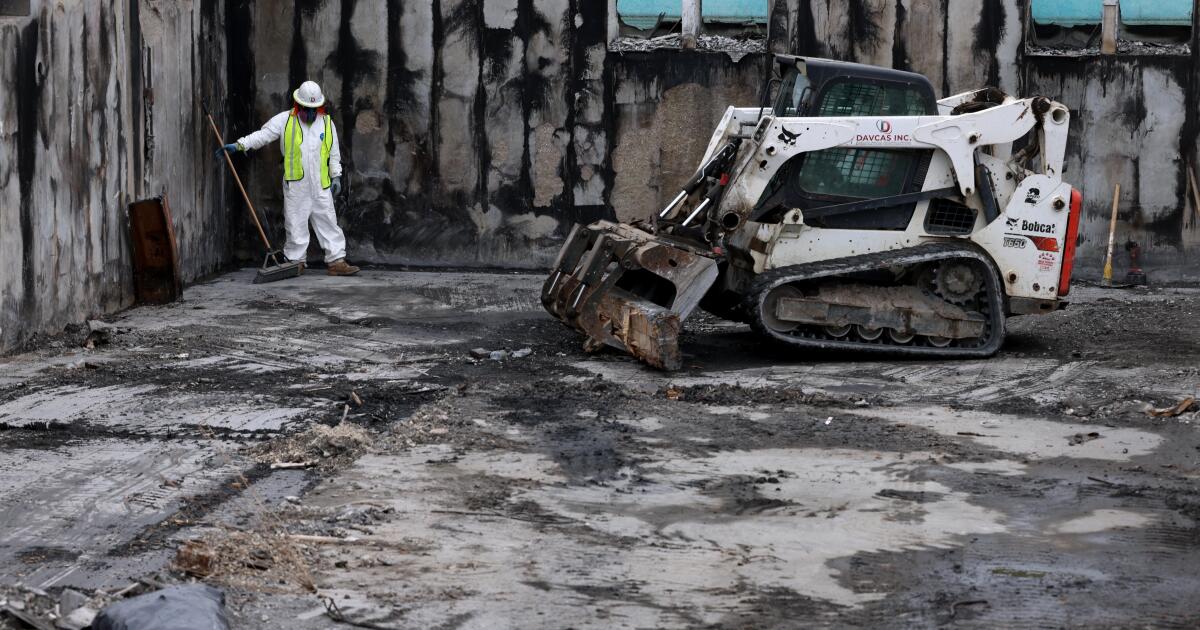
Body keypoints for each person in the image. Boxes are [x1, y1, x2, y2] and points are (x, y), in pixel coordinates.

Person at [218, 80, 360, 276]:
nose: (310, 114)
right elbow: (263, 135)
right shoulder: (285, 120)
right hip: (296, 185)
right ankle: (296, 262)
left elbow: (333, 153)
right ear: (298, 105)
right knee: (295, 223)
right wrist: (240, 145)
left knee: (328, 222)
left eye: (314, 109)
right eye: (306, 109)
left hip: (321, 186)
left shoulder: (327, 123)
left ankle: (337, 262)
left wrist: (336, 177)